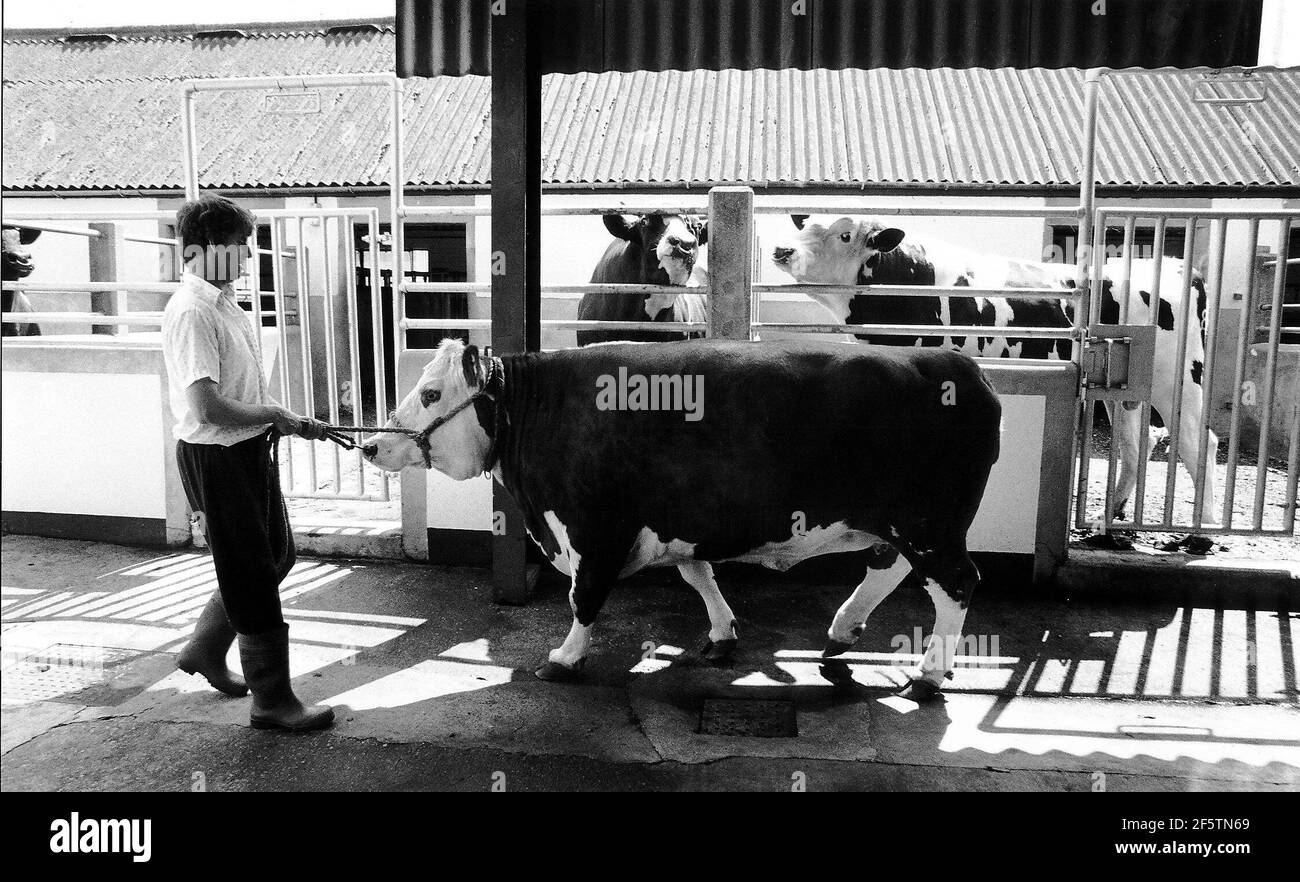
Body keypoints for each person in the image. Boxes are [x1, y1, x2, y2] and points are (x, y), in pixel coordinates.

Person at [163, 194, 335, 732]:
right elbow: (206, 406)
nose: (247, 255)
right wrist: (276, 413)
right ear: (209, 247)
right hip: (217, 456)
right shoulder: (193, 310)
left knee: (274, 556)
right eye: (240, 245)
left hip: (245, 448)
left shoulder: (223, 301)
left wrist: (272, 421)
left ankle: (204, 648)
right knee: (253, 573)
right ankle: (272, 701)